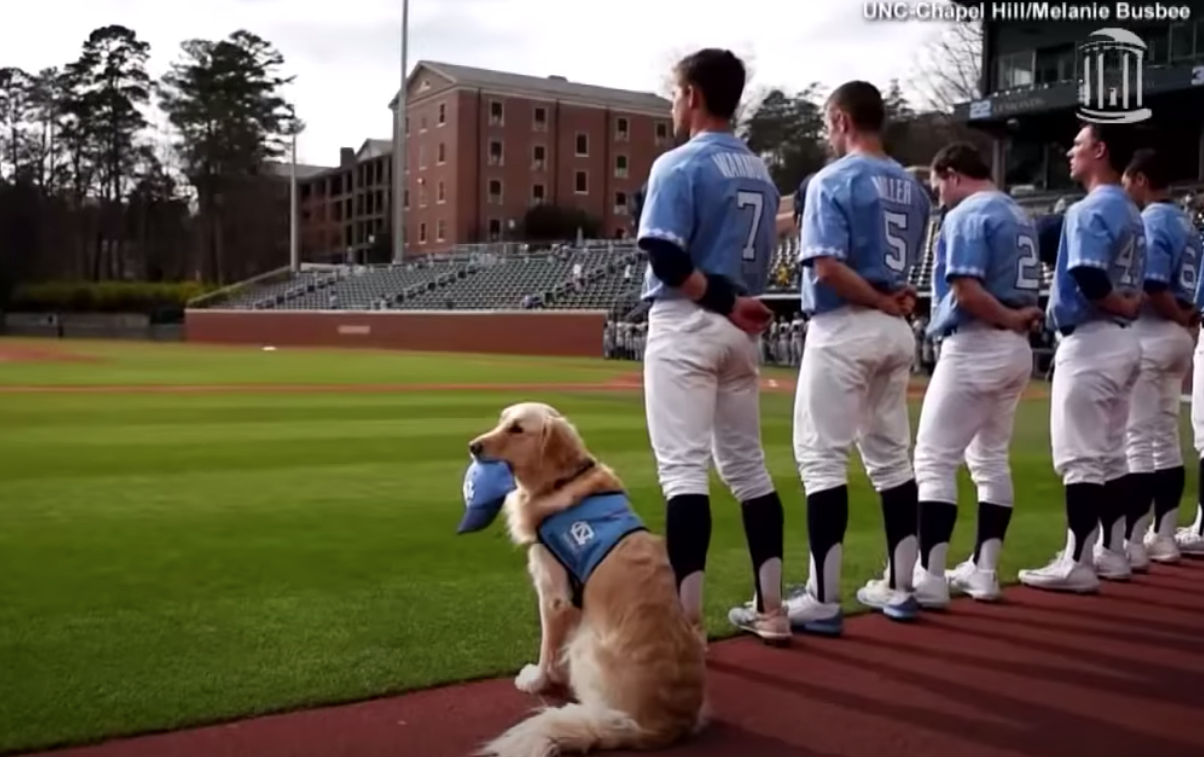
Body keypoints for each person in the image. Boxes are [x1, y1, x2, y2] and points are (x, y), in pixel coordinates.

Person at [638, 48, 790, 645]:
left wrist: (721, 299)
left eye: (676, 93)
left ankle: (687, 625)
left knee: (683, 472)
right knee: (749, 470)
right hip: (738, 329)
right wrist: (733, 304)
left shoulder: (678, 163)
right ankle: (772, 608)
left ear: (693, 95)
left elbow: (665, 254)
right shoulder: (760, 171)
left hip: (691, 318)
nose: (673, 105)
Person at [780, 80, 931, 633]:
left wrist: (877, 298)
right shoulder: (915, 188)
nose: (827, 133)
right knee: (893, 461)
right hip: (894, 329)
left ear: (842, 119)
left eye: (829, 123)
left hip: (845, 326)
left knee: (822, 459)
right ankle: (901, 585)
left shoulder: (832, 180)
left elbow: (827, 267)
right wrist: (890, 299)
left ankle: (822, 597)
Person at [910, 143, 1044, 607]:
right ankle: (984, 572)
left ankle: (929, 577)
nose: (939, 196)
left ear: (952, 174)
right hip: (1014, 349)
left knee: (934, 460)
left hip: (978, 342)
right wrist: (1015, 320)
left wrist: (1007, 317)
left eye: (939, 186)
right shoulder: (1018, 212)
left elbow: (966, 291)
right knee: (990, 461)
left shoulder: (968, 212)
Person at [1019, 123, 1145, 593]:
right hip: (1122, 342)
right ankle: (1112, 552)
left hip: (1091, 339)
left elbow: (1089, 275)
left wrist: (1116, 304)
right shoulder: (1130, 209)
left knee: (1081, 459)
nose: (1070, 151)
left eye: (1078, 144)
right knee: (1111, 455)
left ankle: (1077, 560)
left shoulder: (1091, 207)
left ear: (1101, 150)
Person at [1121, 149, 1198, 565]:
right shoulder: (1186, 221)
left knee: (1137, 439)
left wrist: (1175, 313)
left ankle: (1132, 542)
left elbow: (1152, 283)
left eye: (1128, 179)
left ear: (1141, 179)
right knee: (1166, 440)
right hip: (1179, 337)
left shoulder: (1151, 220)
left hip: (1153, 331)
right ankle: (1163, 535)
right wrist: (1185, 317)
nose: (1125, 188)